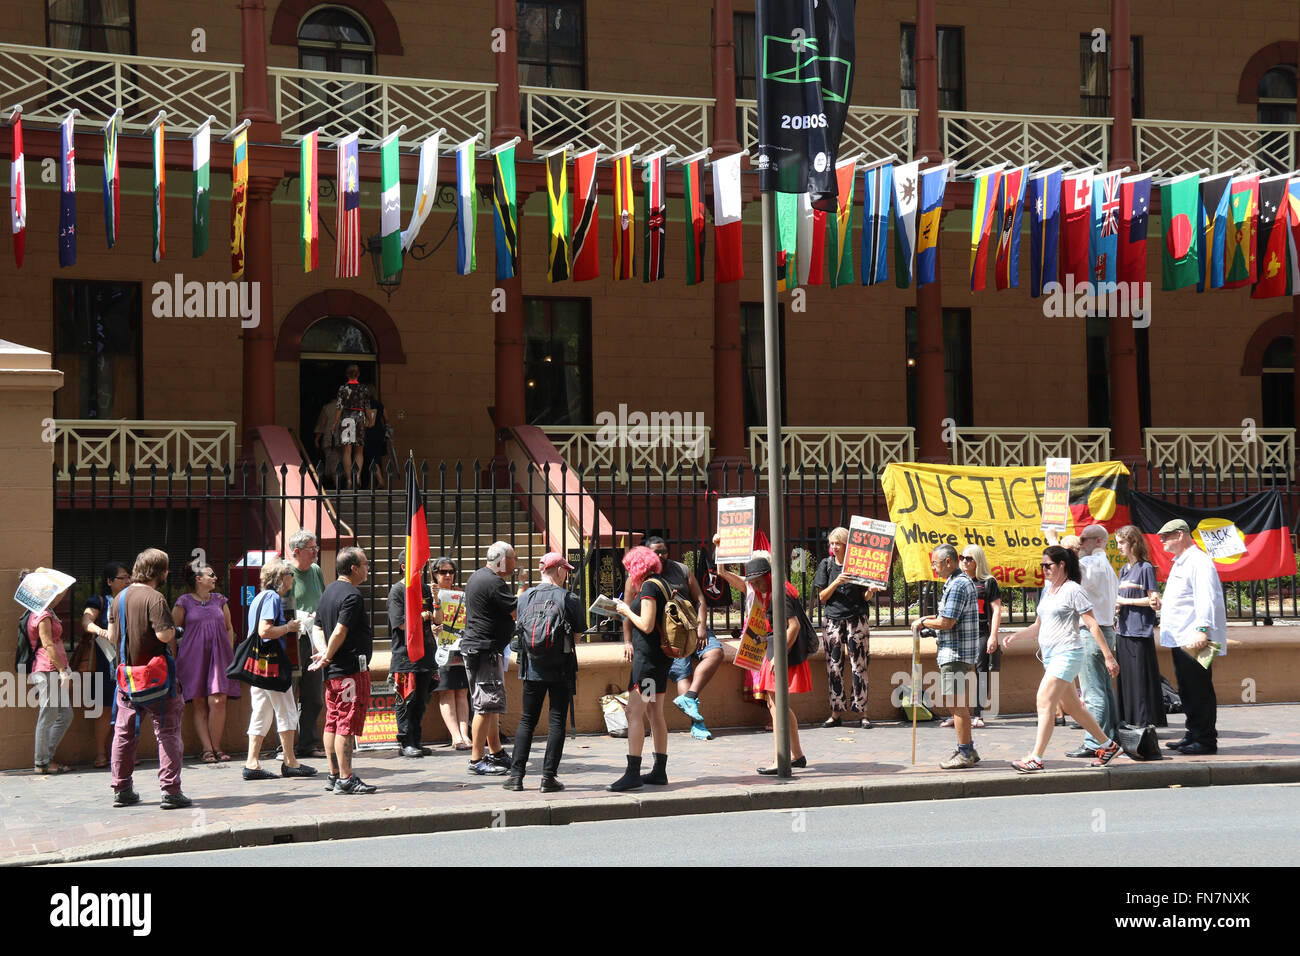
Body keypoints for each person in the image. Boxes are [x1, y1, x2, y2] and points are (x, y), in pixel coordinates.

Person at [1003, 546, 1122, 772]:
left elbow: (1092, 624)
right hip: (1050, 656)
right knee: (1074, 707)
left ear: (1062, 565)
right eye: (1042, 566)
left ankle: (1036, 758)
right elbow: (1038, 626)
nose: (1044, 569)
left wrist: (1108, 656)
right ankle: (1108, 746)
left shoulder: (1073, 590)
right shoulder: (1049, 591)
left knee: (1044, 701)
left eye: (1048, 565)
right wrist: (1016, 636)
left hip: (1067, 653)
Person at [108, 548, 191, 809]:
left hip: (127, 679)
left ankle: (122, 789)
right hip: (157, 679)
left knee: (123, 734)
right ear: (161, 572)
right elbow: (164, 636)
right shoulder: (155, 598)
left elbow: (112, 636)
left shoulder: (119, 598)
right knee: (167, 732)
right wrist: (176, 630)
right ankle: (171, 791)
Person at [715, 553, 812, 775]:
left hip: (779, 651)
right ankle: (796, 754)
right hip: (774, 647)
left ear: (769, 575)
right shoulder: (773, 590)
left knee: (776, 705)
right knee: (777, 705)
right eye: (753, 582)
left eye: (758, 580)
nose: (755, 585)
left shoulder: (780, 593)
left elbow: (793, 626)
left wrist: (779, 654)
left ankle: (782, 758)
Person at [505, 552, 582, 792]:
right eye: (565, 570)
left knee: (527, 720)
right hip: (560, 667)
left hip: (531, 667)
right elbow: (577, 636)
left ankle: (516, 777)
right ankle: (548, 778)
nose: (567, 574)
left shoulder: (526, 596)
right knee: (556, 720)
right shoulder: (569, 598)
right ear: (558, 570)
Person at [1154, 519, 1227, 755]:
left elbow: (1206, 598)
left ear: (1181, 535)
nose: (1162, 540)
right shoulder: (1182, 562)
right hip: (1182, 636)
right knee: (1186, 688)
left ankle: (1205, 740)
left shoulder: (1198, 561)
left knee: (1199, 689)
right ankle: (1193, 733)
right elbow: (1185, 599)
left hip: (1195, 636)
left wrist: (1202, 630)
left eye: (1166, 536)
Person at [309, 546, 378, 794]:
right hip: (350, 671)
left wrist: (325, 655)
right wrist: (327, 655)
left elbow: (316, 627)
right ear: (354, 568)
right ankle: (346, 779)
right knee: (346, 724)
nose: (368, 568)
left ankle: (334, 775)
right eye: (365, 564)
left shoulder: (328, 592)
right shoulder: (352, 596)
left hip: (333, 673)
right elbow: (340, 629)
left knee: (333, 722)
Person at [243, 558, 316, 781]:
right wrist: (289, 627)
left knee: (262, 711)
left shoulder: (258, 597)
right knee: (286, 709)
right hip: (273, 665)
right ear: (281, 577)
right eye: (289, 574)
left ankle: (251, 762)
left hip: (259, 665)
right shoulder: (273, 597)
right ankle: (290, 761)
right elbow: (265, 631)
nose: (292, 577)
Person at [911, 544, 982, 769]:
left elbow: (947, 622)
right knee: (956, 703)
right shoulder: (955, 582)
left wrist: (922, 622)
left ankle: (965, 753)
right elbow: (945, 615)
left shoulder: (958, 584)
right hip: (956, 653)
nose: (933, 567)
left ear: (948, 562)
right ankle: (968, 748)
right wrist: (926, 619)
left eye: (935, 563)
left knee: (956, 704)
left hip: (956, 653)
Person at [641, 536, 718, 741]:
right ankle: (697, 725)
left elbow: (700, 599)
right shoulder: (641, 575)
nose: (660, 555)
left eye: (663, 551)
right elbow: (630, 608)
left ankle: (689, 697)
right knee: (683, 674)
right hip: (668, 635)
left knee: (715, 652)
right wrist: (628, 641)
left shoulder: (681, 570)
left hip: (692, 625)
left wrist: (701, 626)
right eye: (655, 552)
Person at [609, 545, 672, 790]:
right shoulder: (663, 583)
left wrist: (625, 610)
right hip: (659, 661)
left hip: (647, 664)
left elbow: (645, 625)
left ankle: (633, 772)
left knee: (634, 712)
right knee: (655, 713)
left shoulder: (648, 587)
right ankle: (659, 771)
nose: (628, 574)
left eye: (629, 569)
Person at [812, 527, 883, 729]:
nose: (834, 547)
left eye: (838, 543)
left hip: (856, 618)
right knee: (834, 666)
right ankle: (835, 712)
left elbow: (864, 597)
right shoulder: (826, 565)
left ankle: (862, 712)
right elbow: (822, 597)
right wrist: (836, 581)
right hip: (833, 619)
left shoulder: (859, 565)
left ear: (847, 545)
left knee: (859, 665)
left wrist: (871, 591)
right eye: (832, 543)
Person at [460, 541, 518, 775]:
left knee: (490, 704)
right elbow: (515, 610)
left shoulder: (478, 576)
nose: (514, 563)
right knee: (484, 706)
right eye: (512, 558)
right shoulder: (494, 582)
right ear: (502, 560)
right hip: (484, 651)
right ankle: (476, 759)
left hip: (480, 650)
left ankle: (496, 752)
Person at [173, 563, 240, 763]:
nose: (215, 577)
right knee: (200, 701)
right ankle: (207, 748)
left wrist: (229, 651)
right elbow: (171, 631)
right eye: (210, 574)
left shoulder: (220, 600)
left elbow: (229, 628)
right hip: (193, 656)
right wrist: (174, 657)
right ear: (198, 578)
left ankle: (217, 746)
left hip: (219, 656)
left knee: (218, 700)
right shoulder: (183, 602)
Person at [1069, 524, 1121, 758]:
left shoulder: (1092, 564)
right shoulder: (1107, 566)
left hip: (1092, 632)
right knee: (1104, 690)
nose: (1081, 544)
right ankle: (1108, 736)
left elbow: (1070, 573)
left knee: (1093, 692)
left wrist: (1060, 546)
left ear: (1098, 541)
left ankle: (1094, 741)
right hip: (1105, 629)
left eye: (1084, 539)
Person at [387, 549, 441, 758]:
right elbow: (400, 624)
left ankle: (416, 740)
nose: (419, 570)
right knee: (405, 700)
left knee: (421, 701)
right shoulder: (397, 591)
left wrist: (435, 599)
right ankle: (405, 741)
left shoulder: (426, 589)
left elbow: (437, 619)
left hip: (426, 653)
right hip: (405, 655)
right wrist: (423, 615)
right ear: (404, 567)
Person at [79, 561, 132, 767]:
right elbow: (86, 621)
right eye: (122, 577)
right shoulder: (99, 601)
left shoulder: (130, 599)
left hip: (128, 660)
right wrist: (101, 631)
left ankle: (123, 753)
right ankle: (101, 754)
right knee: (105, 708)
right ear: (109, 581)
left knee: (128, 708)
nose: (127, 581)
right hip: (105, 661)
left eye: (129, 577)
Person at [1113, 525, 1166, 729]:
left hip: (1139, 630)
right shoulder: (1124, 570)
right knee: (1126, 677)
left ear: (1133, 543)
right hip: (1123, 629)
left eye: (1122, 542)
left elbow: (1153, 600)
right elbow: (1123, 598)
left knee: (1140, 677)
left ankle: (1144, 722)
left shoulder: (1145, 568)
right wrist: (1118, 604)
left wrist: (1124, 602)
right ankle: (1129, 720)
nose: (1118, 547)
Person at [285, 530, 327, 759]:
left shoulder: (316, 571)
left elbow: (322, 598)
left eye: (316, 547)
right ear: (297, 551)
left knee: (314, 696)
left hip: (315, 640)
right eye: (312, 548)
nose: (316, 552)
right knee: (289, 693)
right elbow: (283, 608)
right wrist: (302, 617)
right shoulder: (286, 573)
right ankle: (286, 745)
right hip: (294, 640)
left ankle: (308, 744)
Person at [25, 576, 74, 774]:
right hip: (48, 669)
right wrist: (62, 671)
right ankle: (42, 763)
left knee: (65, 714)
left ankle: (47, 756)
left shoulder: (47, 611)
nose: (58, 595)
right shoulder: (42, 615)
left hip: (53, 670)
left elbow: (60, 594)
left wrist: (62, 582)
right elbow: (47, 644)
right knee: (47, 716)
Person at [431, 557, 472, 749]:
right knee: (446, 691)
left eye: (450, 572)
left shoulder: (461, 594)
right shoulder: (430, 593)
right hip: (442, 648)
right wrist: (435, 601)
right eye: (442, 572)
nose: (447, 575)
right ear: (434, 574)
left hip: (461, 646)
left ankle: (465, 734)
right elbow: (432, 620)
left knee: (462, 691)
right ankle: (455, 736)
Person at [960, 544, 1003, 727]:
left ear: (978, 561)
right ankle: (958, 714)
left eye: (968, 559)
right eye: (962, 557)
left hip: (980, 630)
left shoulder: (988, 582)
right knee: (958, 671)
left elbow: (997, 609)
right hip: (961, 633)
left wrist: (993, 636)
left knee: (980, 670)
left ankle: (978, 713)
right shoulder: (958, 581)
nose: (964, 562)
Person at [329, 364, 372, 489]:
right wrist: (370, 419)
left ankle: (348, 479)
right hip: (359, 417)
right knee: (359, 450)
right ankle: (357, 475)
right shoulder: (363, 389)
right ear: (358, 374)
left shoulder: (343, 388)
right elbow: (367, 407)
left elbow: (339, 407)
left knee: (347, 450)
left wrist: (334, 422)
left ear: (347, 375)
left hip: (346, 417)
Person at [362, 398, 391, 489]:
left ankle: (380, 480)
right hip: (379, 433)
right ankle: (375, 481)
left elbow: (371, 422)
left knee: (371, 457)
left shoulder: (364, 403)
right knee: (375, 457)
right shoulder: (379, 404)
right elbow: (387, 419)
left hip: (369, 433)